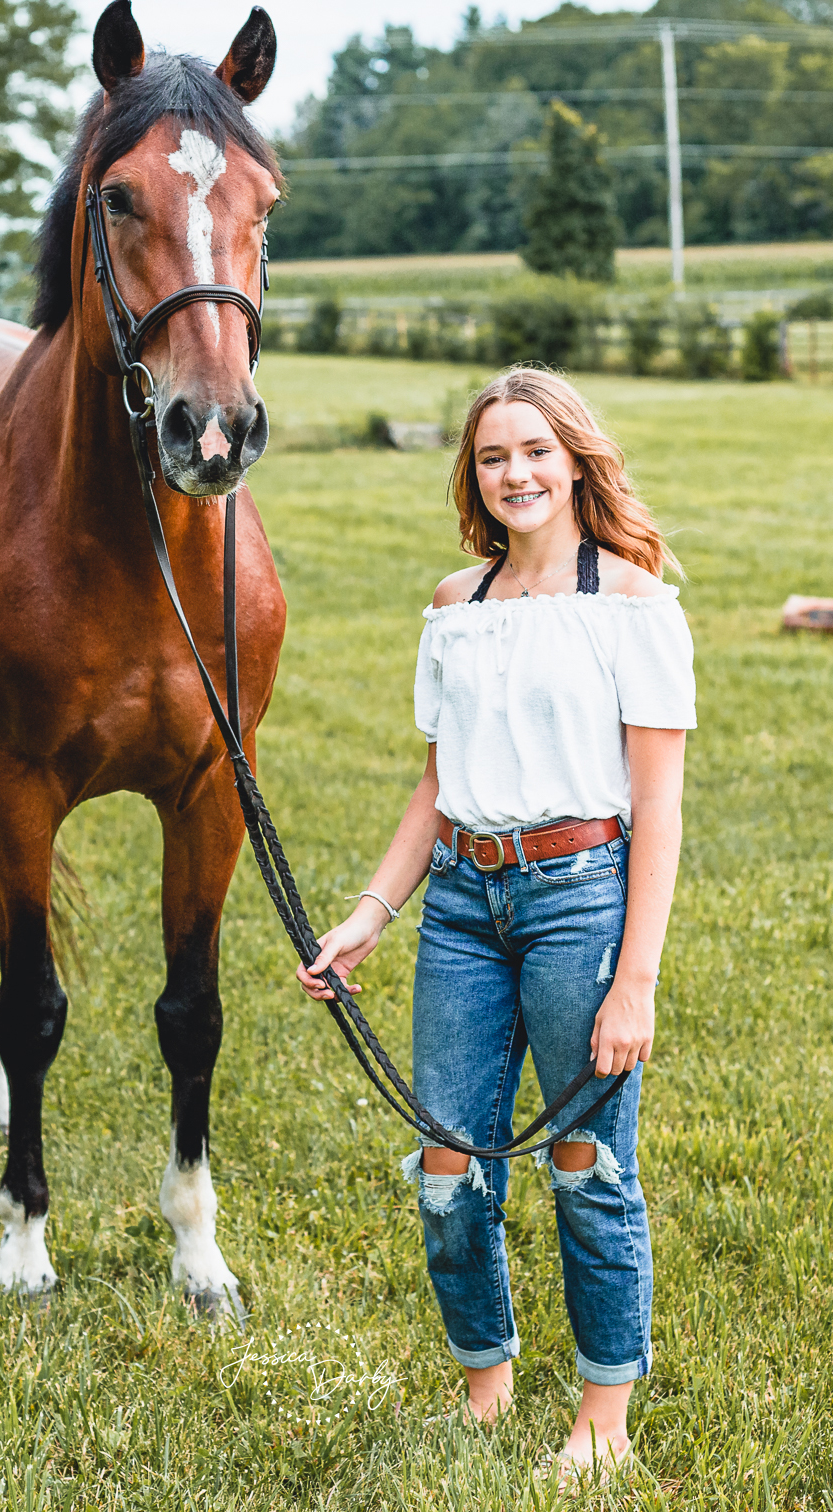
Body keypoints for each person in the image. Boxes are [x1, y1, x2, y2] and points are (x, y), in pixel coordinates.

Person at [296, 367, 695, 1481]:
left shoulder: (632, 600)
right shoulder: (453, 607)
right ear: (473, 475)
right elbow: (434, 789)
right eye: (491, 456)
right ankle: (487, 1385)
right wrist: (372, 914)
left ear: (575, 461)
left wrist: (637, 982)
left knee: (586, 1160)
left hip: (580, 898)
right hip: (465, 905)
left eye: (533, 450)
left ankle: (603, 1417)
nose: (515, 473)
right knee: (445, 1161)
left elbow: (657, 803)